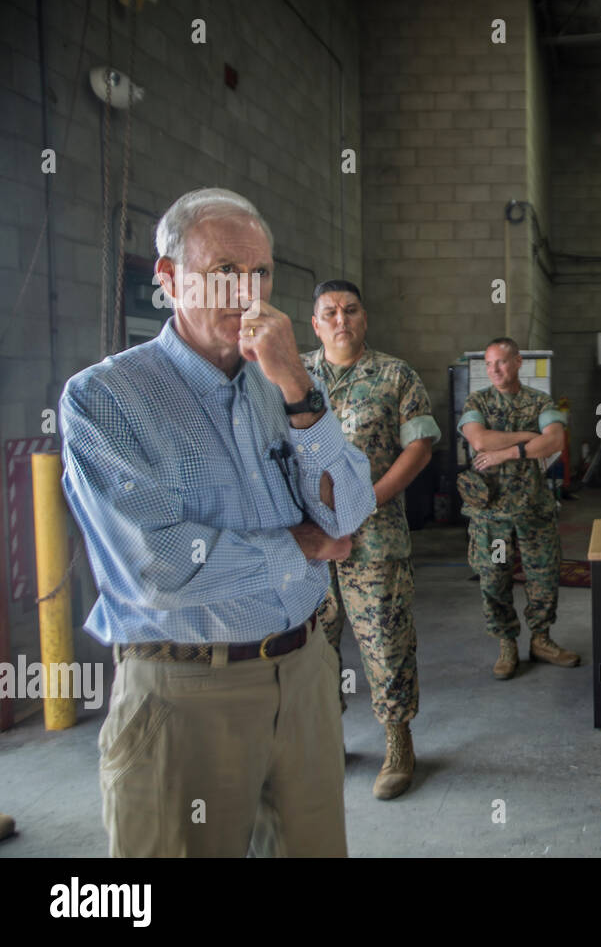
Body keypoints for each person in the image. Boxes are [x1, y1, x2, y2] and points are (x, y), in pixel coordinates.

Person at [60, 188, 375, 856]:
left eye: (261, 273)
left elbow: (348, 511)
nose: (248, 293)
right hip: (185, 694)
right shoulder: (107, 398)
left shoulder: (282, 384)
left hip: (306, 680)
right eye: (225, 271)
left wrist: (296, 387)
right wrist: (302, 548)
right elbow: (157, 565)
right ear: (168, 280)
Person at [302, 279, 438, 800]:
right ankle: (325, 739)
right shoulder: (291, 375)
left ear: (365, 318)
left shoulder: (394, 375)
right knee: (313, 647)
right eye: (330, 312)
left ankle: (398, 743)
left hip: (374, 539)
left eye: (351, 310)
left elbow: (419, 447)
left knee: (386, 642)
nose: (342, 319)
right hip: (307, 542)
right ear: (316, 324)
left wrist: (367, 501)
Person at [457, 338, 579, 679]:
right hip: (492, 518)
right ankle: (507, 644)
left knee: (544, 579)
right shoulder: (477, 401)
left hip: (533, 512)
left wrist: (507, 451)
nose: (494, 370)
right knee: (494, 580)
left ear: (518, 362)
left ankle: (541, 640)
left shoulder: (540, 401)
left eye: (502, 362)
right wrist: (528, 438)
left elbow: (555, 441)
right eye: (489, 364)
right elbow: (479, 440)